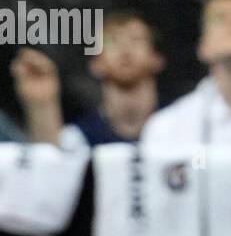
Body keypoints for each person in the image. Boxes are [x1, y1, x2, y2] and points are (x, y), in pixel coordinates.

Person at [10, 11, 164, 147]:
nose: (125, 49)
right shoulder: (81, 137)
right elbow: (51, 165)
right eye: (113, 41)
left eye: (136, 40)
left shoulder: (177, 124)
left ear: (157, 59)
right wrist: (42, 105)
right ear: (96, 63)